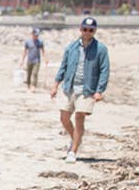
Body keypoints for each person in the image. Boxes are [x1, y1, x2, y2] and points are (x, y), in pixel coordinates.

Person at [50, 17, 110, 163]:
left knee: (79, 117)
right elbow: (63, 66)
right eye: (85, 29)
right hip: (69, 87)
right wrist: (55, 85)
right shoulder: (71, 47)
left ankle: (73, 151)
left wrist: (99, 91)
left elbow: (104, 70)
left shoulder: (101, 49)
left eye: (91, 30)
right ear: (80, 29)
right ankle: (76, 139)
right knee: (64, 117)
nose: (87, 32)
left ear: (95, 31)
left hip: (87, 90)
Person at [19, 28, 45, 92]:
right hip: (29, 60)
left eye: (37, 35)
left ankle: (33, 86)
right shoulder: (28, 42)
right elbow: (25, 51)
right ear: (32, 34)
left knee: (35, 73)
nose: (36, 36)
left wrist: (45, 58)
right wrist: (22, 60)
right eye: (35, 35)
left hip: (37, 61)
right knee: (28, 74)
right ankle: (28, 85)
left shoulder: (40, 42)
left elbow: (43, 51)